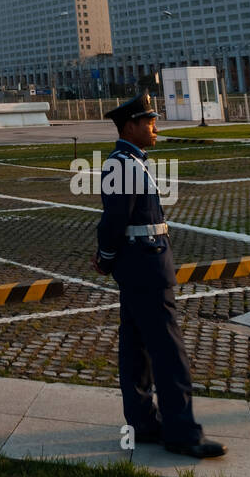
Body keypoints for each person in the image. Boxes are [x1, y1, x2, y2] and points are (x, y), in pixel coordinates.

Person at [93, 92, 226, 458]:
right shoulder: (122, 163)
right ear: (130, 125)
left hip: (139, 264)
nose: (155, 126)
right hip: (146, 266)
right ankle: (182, 433)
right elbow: (114, 222)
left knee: (136, 350)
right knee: (169, 352)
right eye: (149, 121)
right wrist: (105, 258)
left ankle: (144, 423)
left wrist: (109, 260)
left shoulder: (130, 160)